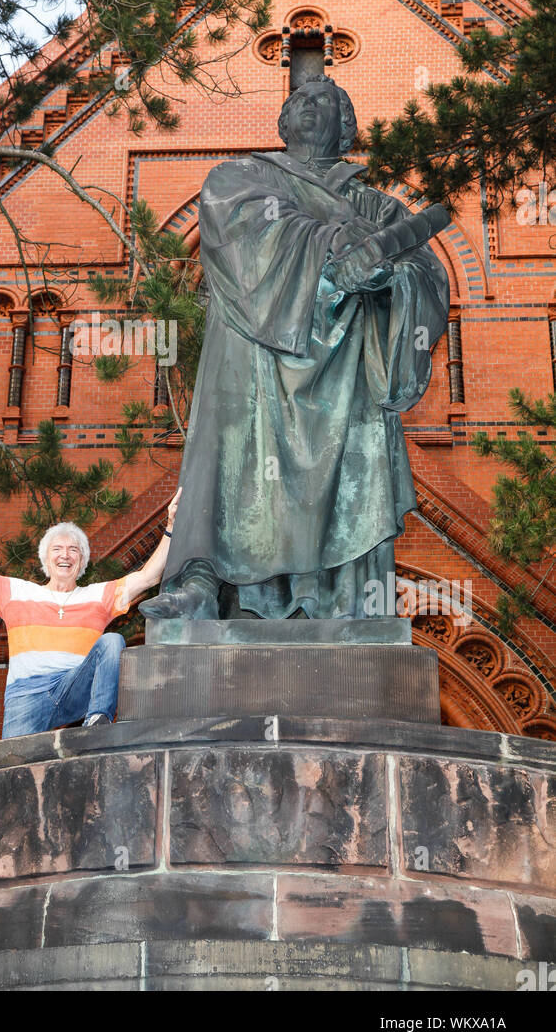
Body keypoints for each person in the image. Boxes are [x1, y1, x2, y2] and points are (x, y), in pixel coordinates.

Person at [141, 76, 450, 625]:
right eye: (300, 101)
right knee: (226, 457)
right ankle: (201, 579)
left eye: (326, 101)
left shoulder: (378, 207)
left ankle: (341, 593)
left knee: (347, 466)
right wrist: (334, 245)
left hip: (346, 370)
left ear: (346, 127)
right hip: (251, 355)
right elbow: (233, 226)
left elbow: (426, 275)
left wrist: (384, 278)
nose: (311, 107)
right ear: (282, 123)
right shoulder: (241, 176)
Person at [0, 488, 181, 737]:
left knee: (112, 641)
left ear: (81, 562)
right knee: (14, 764)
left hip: (74, 685)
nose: (65, 555)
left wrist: (170, 527)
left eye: (74, 550)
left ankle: (97, 721)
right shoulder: (15, 590)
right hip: (27, 693)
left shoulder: (98, 595)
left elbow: (148, 576)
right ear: (46, 560)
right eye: (57, 549)